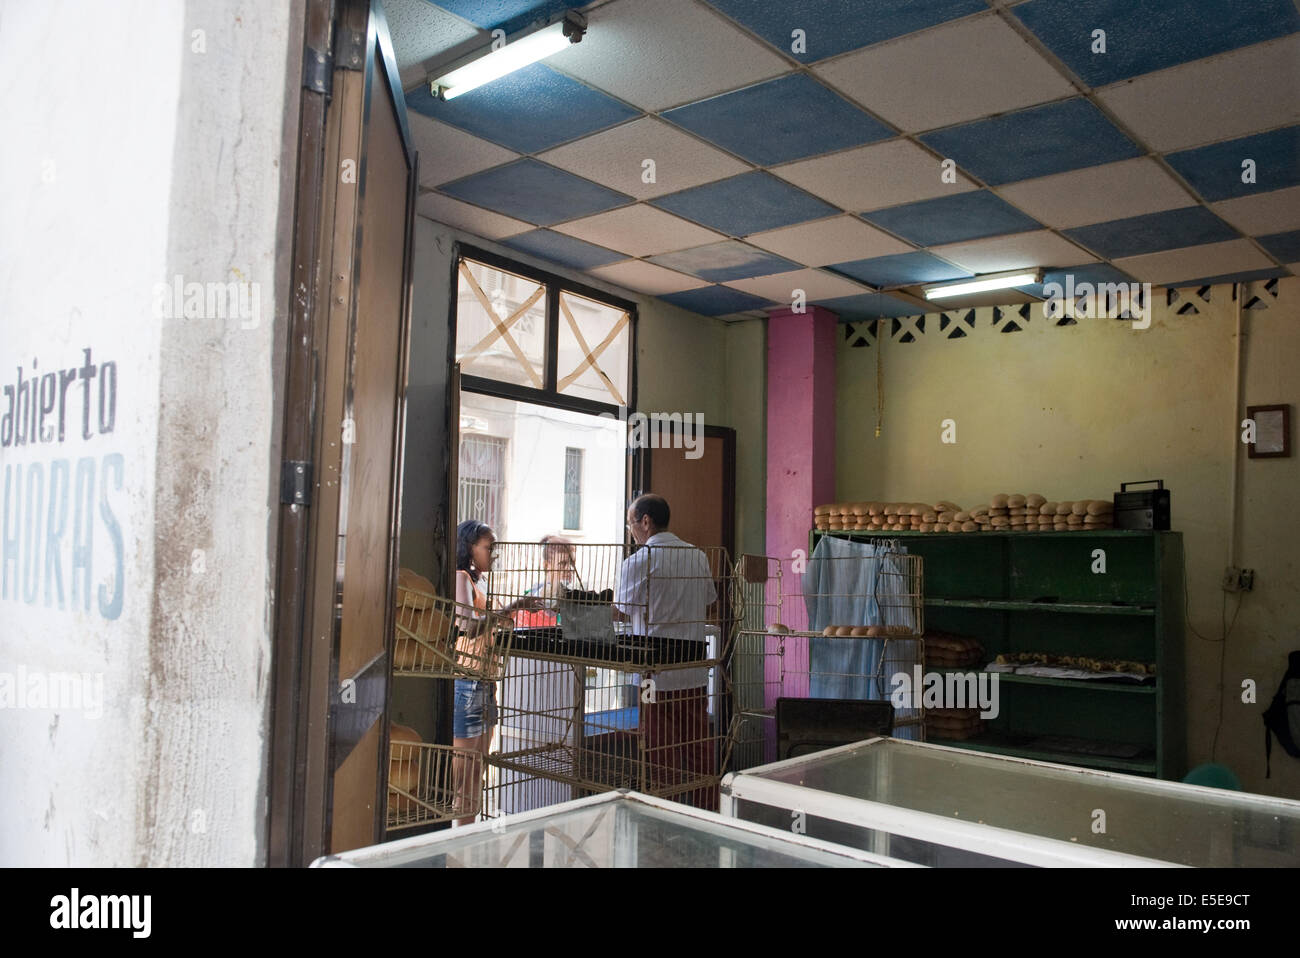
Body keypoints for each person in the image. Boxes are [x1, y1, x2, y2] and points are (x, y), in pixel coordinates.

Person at [614, 494, 718, 809]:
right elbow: (710, 603)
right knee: (698, 746)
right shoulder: (697, 556)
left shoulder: (639, 561)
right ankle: (707, 809)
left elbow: (619, 611)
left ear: (646, 521)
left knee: (659, 748)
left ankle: (665, 811)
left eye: (632, 523)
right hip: (692, 670)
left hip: (653, 675)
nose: (631, 530)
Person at [451, 519, 539, 825]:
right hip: (468, 681)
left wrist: (513, 611)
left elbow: (489, 621)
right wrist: (511, 607)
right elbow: (467, 625)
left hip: (486, 681)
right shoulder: (461, 577)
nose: (494, 553)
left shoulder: (481, 582)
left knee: (478, 770)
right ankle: (458, 840)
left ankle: (467, 836)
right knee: (462, 776)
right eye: (490, 547)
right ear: (469, 548)